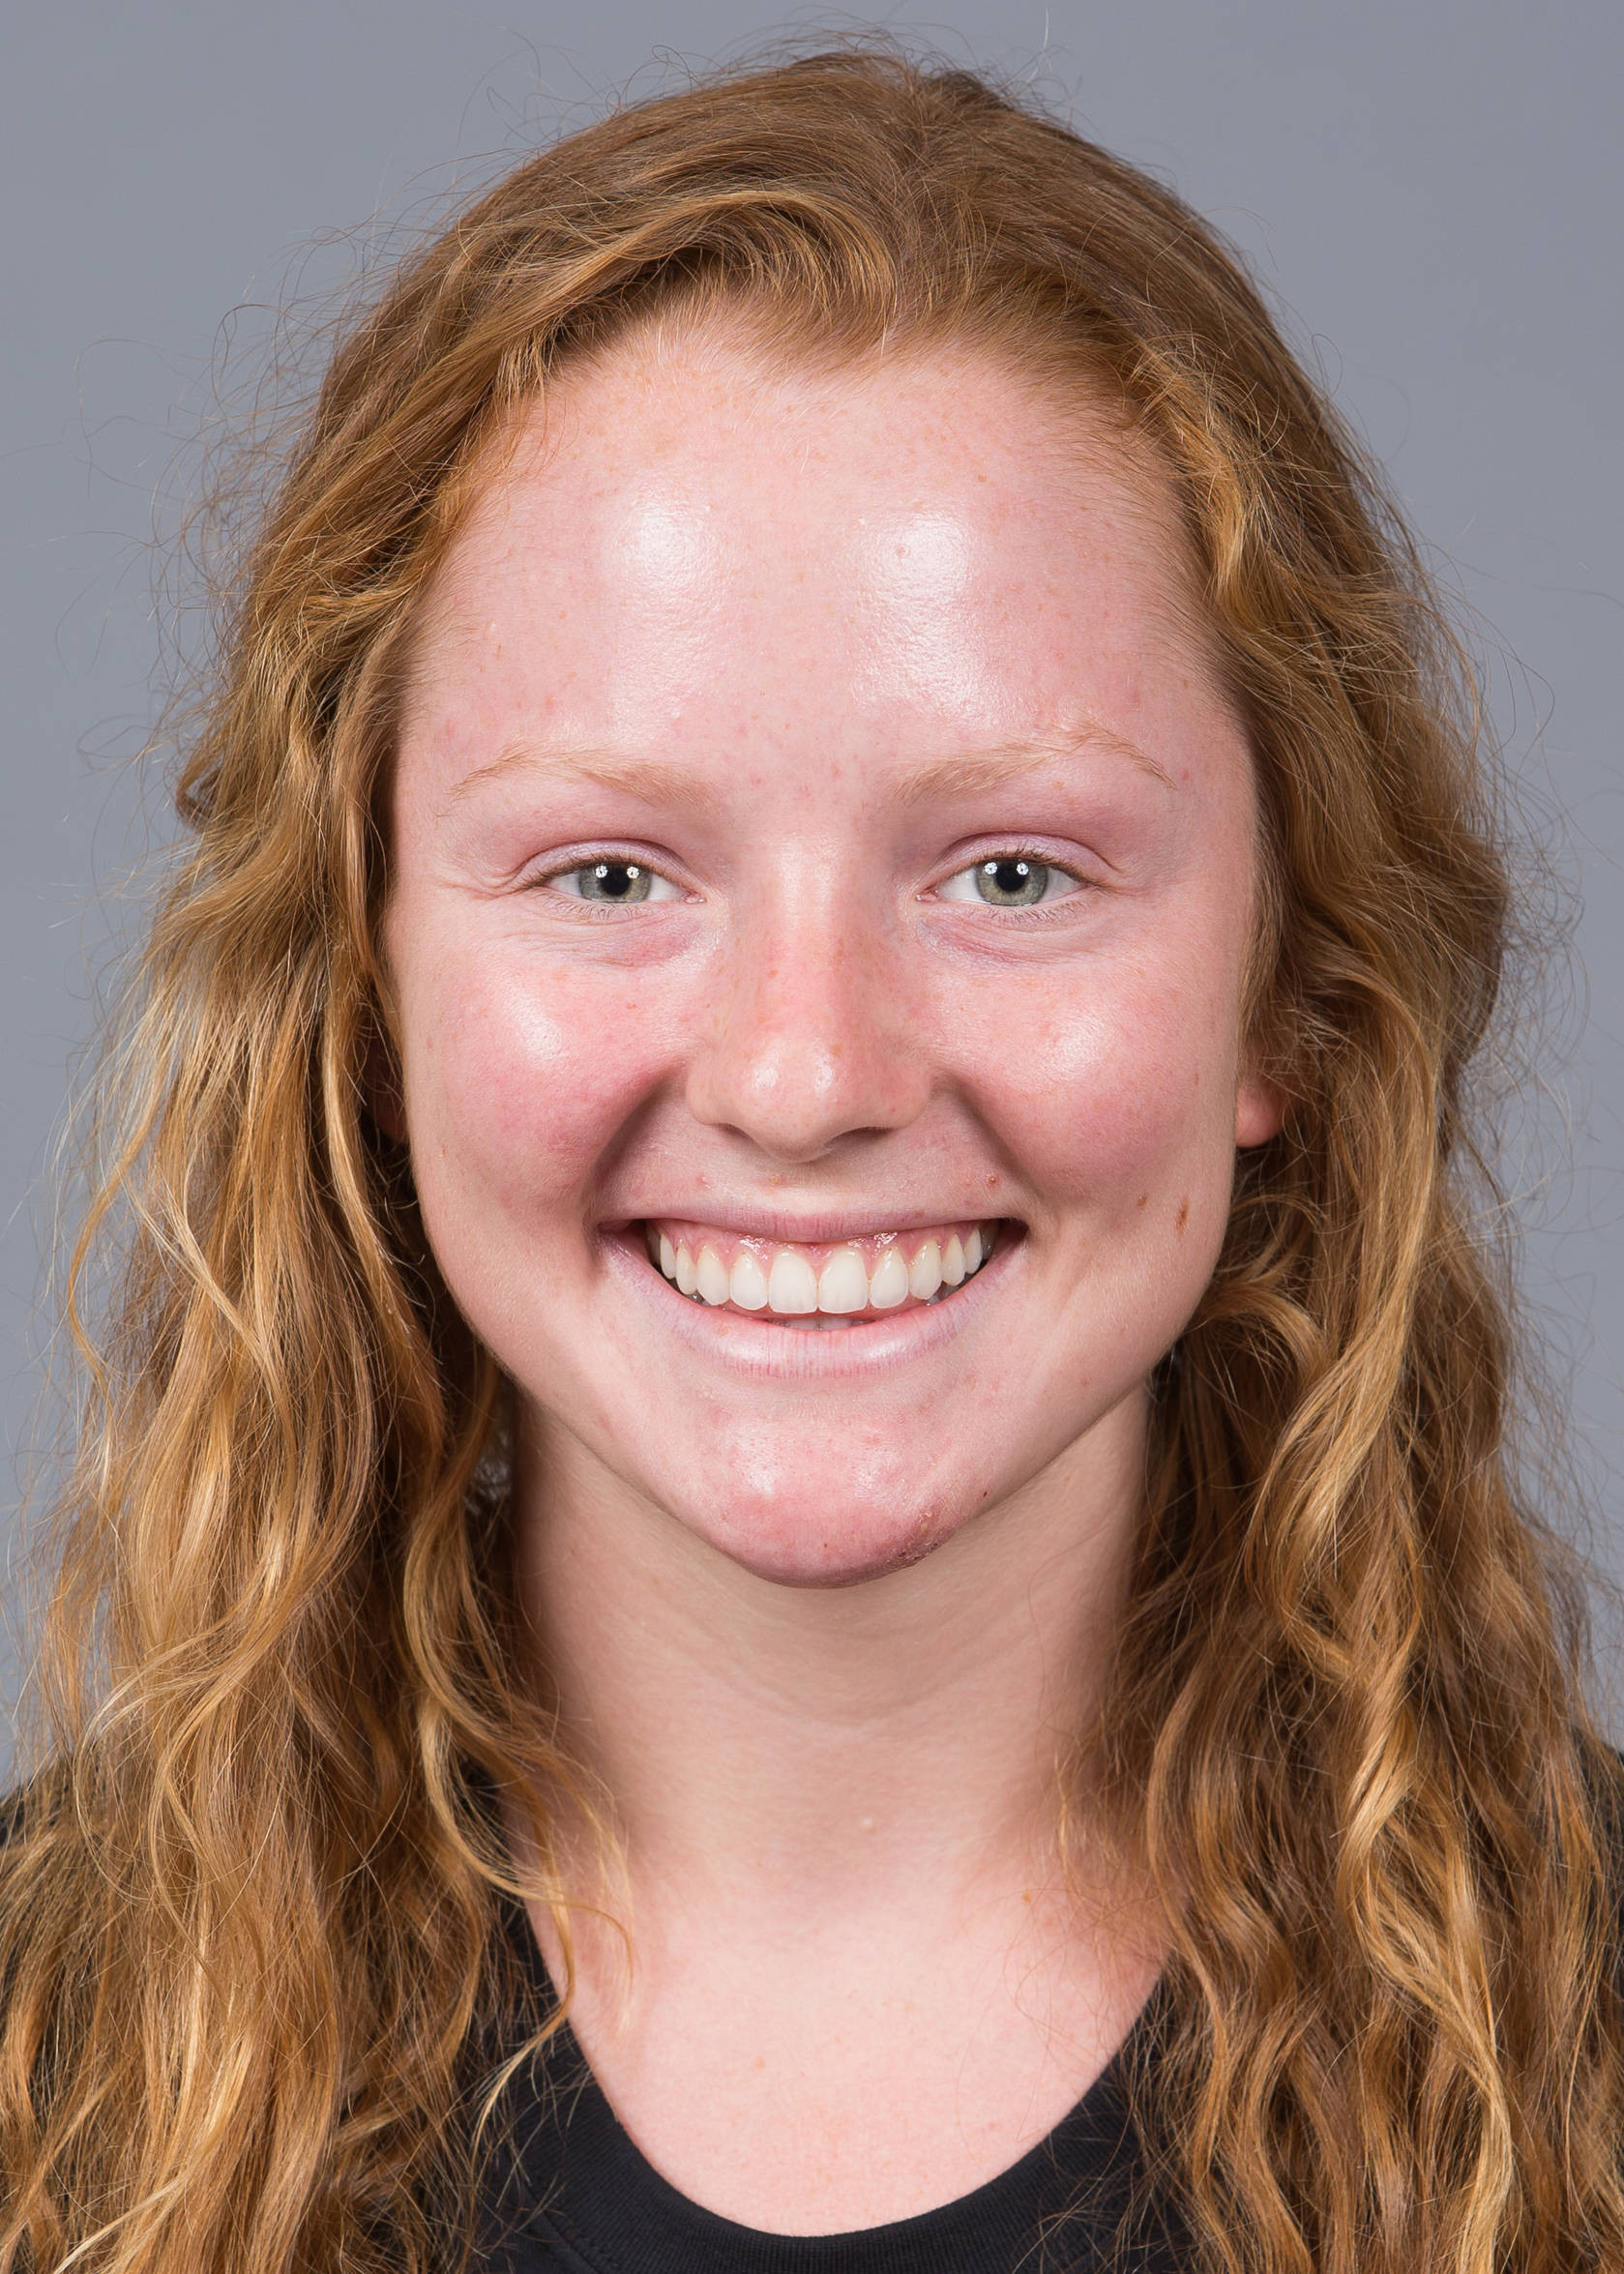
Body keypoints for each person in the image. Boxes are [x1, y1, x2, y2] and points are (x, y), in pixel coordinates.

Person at [0, 41, 1619, 2274]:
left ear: (1293, 993)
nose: (802, 1071)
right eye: (607, 874)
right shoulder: (41, 2058)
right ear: (365, 992)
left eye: (1015, 875)